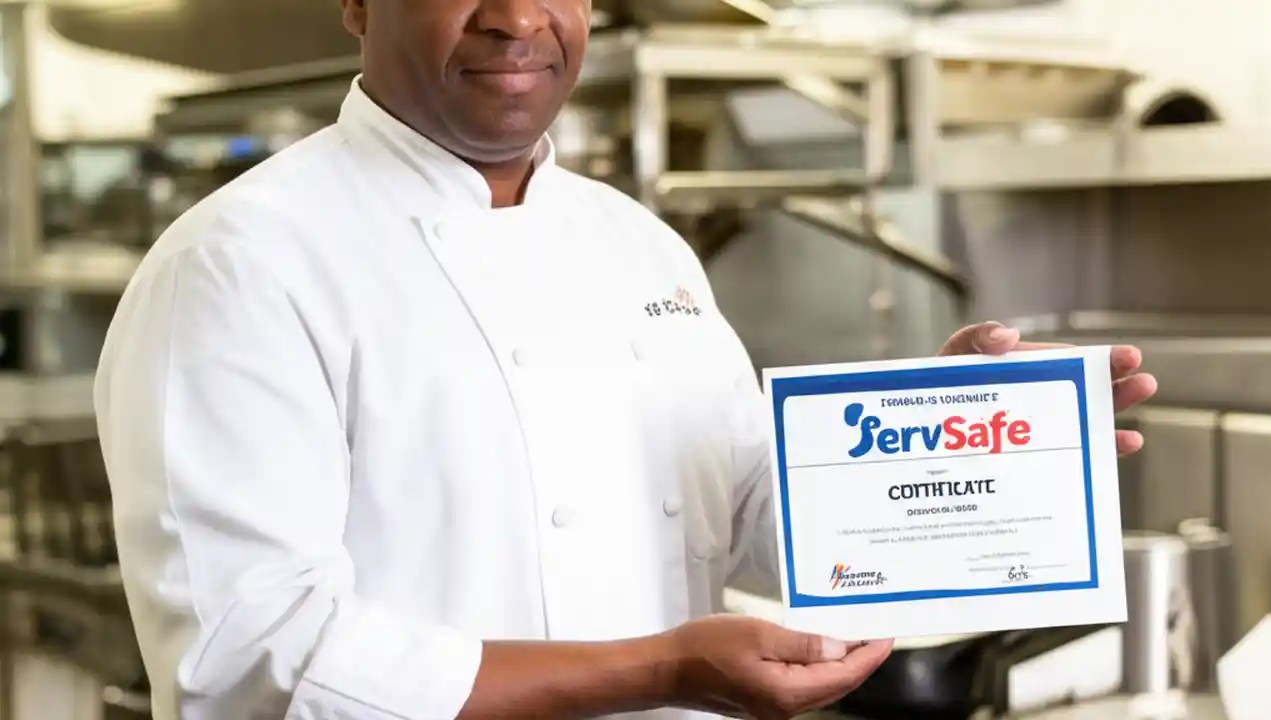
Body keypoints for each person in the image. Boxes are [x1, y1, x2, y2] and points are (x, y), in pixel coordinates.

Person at [93, 1, 1158, 719]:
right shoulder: (242, 266)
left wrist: (956, 436)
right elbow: (254, 665)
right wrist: (666, 668)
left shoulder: (636, 243)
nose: (515, 18)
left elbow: (752, 515)